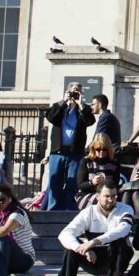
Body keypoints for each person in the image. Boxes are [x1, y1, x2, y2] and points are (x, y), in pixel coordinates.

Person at [55, 182, 134, 276]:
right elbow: (65, 234)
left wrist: (94, 242)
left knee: (119, 242)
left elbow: (123, 229)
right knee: (72, 246)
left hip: (115, 258)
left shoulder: (125, 209)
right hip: (92, 258)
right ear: (97, 196)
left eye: (114, 196)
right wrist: (83, 249)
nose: (111, 199)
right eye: (107, 196)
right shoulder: (88, 212)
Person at [40, 82, 90, 212]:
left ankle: (69, 209)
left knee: (72, 182)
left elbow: (90, 121)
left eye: (78, 91)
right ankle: (53, 210)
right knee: (54, 180)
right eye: (73, 91)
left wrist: (81, 104)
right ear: (67, 91)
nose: (75, 94)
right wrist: (64, 101)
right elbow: (50, 117)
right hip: (58, 151)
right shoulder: (59, 107)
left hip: (74, 152)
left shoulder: (83, 110)